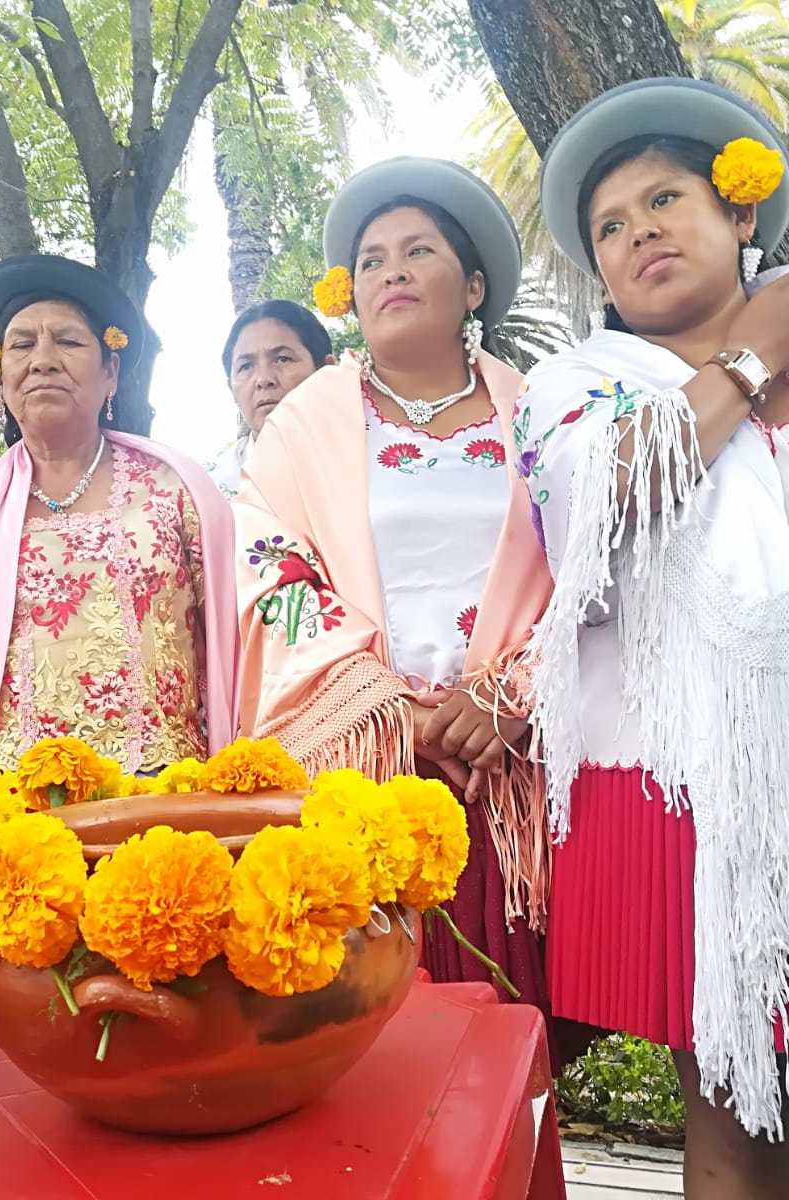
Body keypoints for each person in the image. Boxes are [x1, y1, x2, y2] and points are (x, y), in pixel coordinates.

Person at [517, 78, 789, 1192]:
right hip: (695, 777)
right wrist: (749, 361)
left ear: (740, 211)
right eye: (610, 229)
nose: (638, 234)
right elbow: (600, 509)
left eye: (664, 200)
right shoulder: (578, 383)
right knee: (736, 1103)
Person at [235, 158, 553, 1010]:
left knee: (508, 1023)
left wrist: (512, 696)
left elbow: (588, 573)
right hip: (366, 760)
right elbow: (268, 570)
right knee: (366, 1020)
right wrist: (389, 710)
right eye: (372, 260)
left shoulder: (541, 413)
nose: (392, 272)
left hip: (504, 760)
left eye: (419, 251)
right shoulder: (307, 420)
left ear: (474, 287)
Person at [0, 254, 237, 799]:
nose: (43, 360)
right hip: (7, 813)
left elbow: (241, 642)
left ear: (110, 371)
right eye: (22, 345)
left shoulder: (177, 491)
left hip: (164, 804)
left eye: (67, 342)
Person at [207, 300, 333, 498]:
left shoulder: (369, 459)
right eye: (246, 367)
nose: (264, 379)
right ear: (231, 388)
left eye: (282, 359)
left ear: (326, 372)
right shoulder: (211, 491)